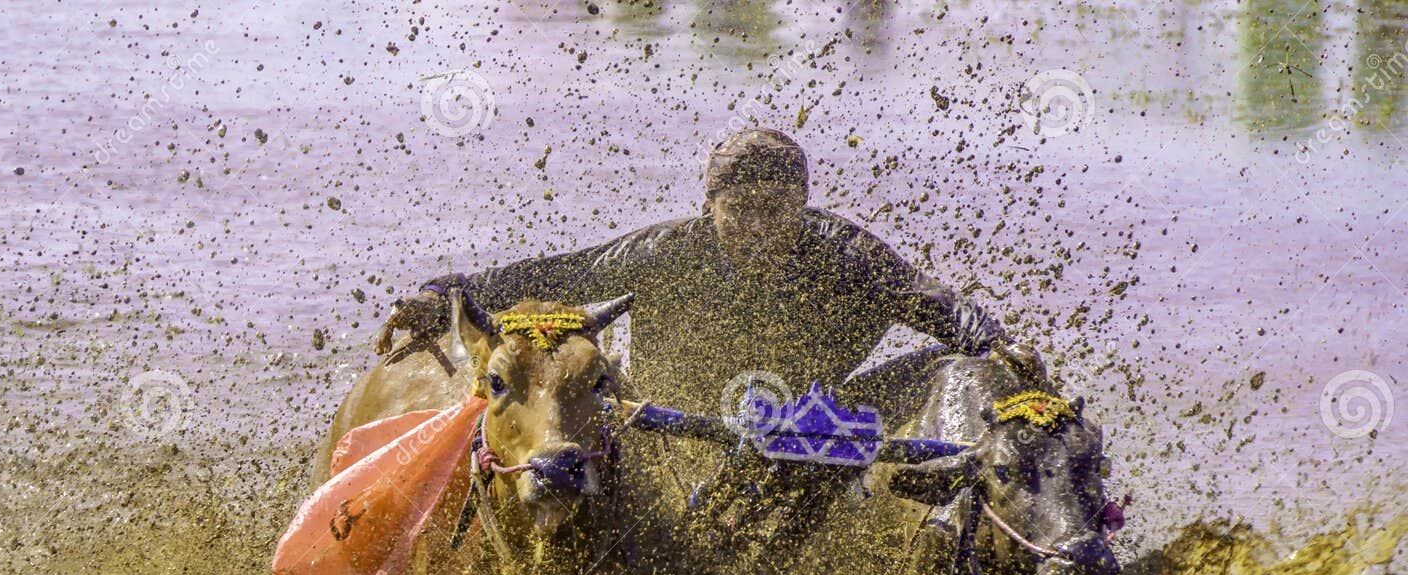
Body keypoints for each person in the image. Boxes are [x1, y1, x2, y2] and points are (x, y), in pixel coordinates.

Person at [375, 128, 1008, 422]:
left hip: (810, 423)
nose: (758, 227)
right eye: (741, 211)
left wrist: (997, 347)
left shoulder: (842, 251)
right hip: (668, 417)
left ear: (803, 208)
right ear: (710, 207)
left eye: (777, 212)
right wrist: (445, 294)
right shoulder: (668, 251)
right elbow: (567, 273)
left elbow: (935, 304)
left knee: (954, 371)